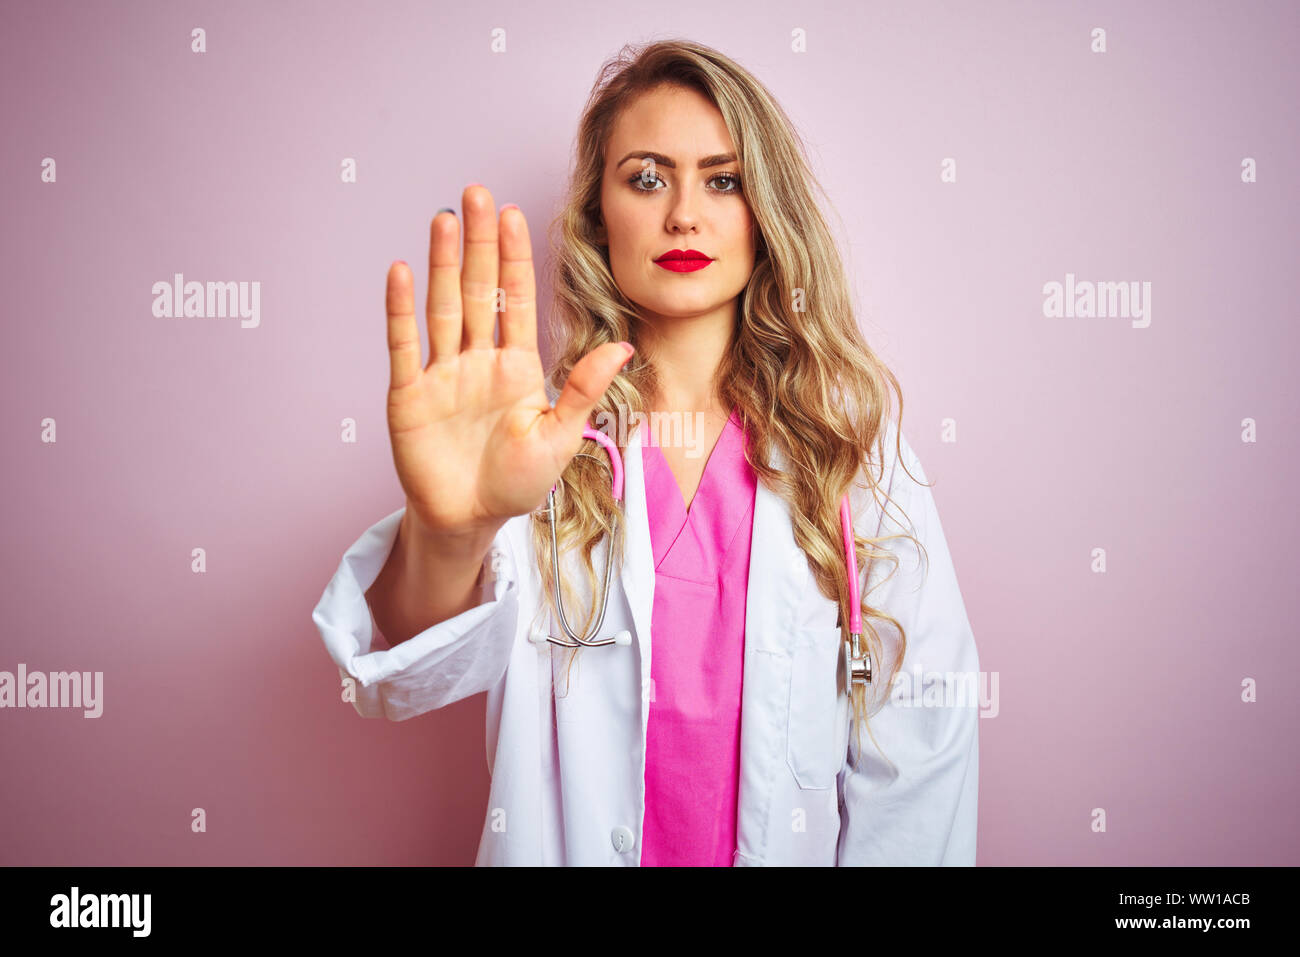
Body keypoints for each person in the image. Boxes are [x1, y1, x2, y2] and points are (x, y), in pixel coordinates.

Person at [312, 39, 980, 866]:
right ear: (599, 214)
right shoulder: (541, 442)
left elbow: (920, 750)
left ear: (765, 208)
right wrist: (455, 526)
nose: (684, 216)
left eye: (723, 178)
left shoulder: (852, 446)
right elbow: (399, 676)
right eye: (647, 177)